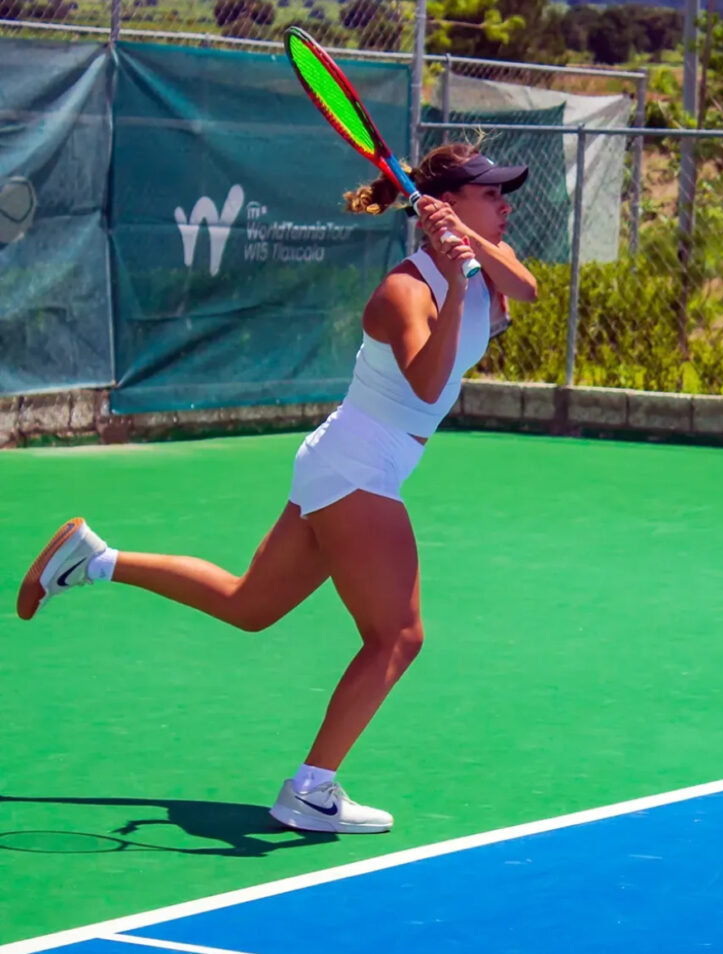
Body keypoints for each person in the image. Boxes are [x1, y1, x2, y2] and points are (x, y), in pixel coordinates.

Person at [16, 141, 538, 835]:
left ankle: (94, 559)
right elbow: (428, 382)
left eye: (505, 196)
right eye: (492, 194)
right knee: (397, 635)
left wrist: (465, 248)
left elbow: (527, 288)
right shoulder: (404, 292)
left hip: (346, 463)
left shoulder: (480, 271)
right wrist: (452, 269)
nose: (505, 205)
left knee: (249, 604)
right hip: (360, 466)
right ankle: (311, 790)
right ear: (445, 202)